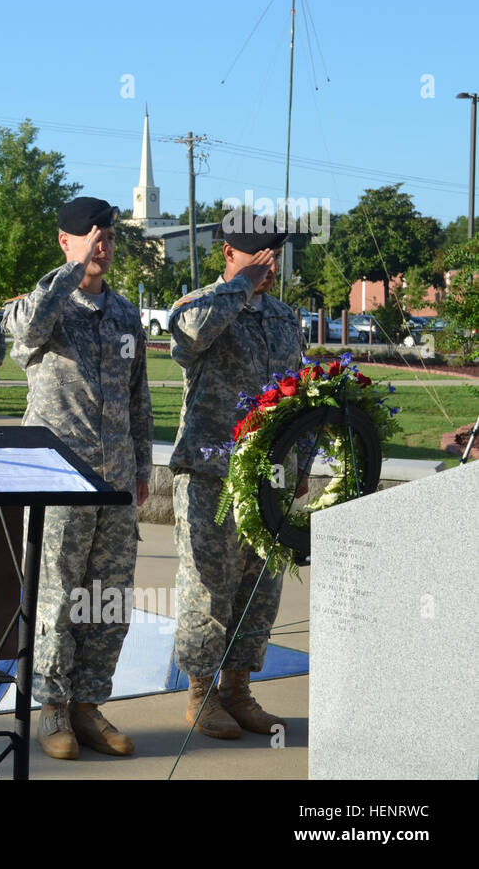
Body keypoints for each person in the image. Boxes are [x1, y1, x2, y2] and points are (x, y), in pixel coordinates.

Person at [2, 196, 152, 760]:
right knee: (56, 598)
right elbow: (25, 333)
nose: (104, 247)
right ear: (64, 242)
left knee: (108, 598)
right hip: (58, 477)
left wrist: (140, 466)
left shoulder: (125, 314)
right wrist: (71, 271)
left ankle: (89, 706)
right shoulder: (44, 306)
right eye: (92, 237)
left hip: (115, 480)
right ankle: (53, 708)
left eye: (109, 237)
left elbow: (139, 397)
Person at [169, 223, 302, 740]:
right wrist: (242, 284)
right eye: (258, 255)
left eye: (275, 257)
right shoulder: (199, 305)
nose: (270, 265)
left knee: (258, 588)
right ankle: (201, 694)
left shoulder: (284, 316)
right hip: (211, 473)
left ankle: (238, 689)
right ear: (229, 252)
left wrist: (299, 468)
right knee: (209, 588)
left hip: (269, 476)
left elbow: (297, 394)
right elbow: (191, 339)